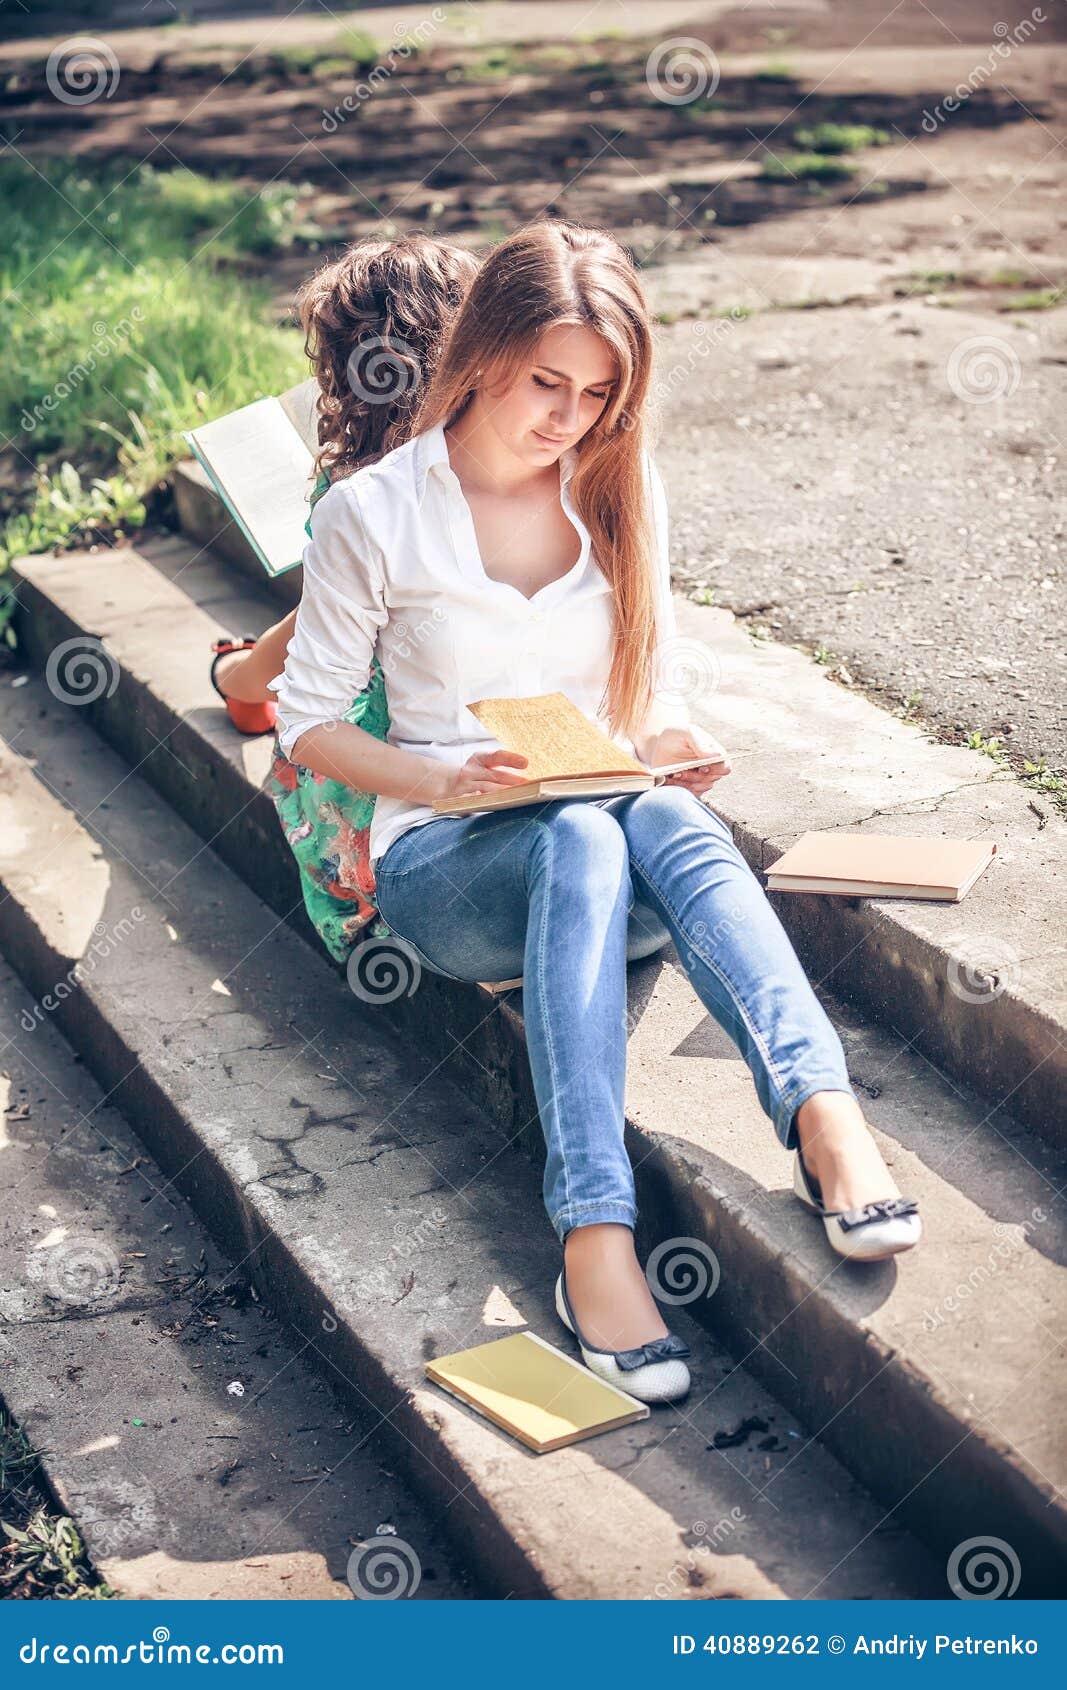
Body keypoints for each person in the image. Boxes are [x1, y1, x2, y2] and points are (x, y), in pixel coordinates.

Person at [270, 218, 921, 1406]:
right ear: (480, 353)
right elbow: (304, 719)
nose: (568, 417)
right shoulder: (373, 512)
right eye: (545, 382)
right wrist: (442, 780)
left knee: (661, 822)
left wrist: (671, 741)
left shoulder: (618, 486)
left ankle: (823, 1116)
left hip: (606, 839)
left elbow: (649, 684)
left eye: (599, 392)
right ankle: (593, 1234)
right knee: (577, 834)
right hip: (447, 868)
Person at [208, 233, 480, 959]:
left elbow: (330, 634)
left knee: (320, 704)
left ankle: (238, 676)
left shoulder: (359, 488)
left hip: (400, 760)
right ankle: (239, 674)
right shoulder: (510, 457)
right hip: (488, 722)